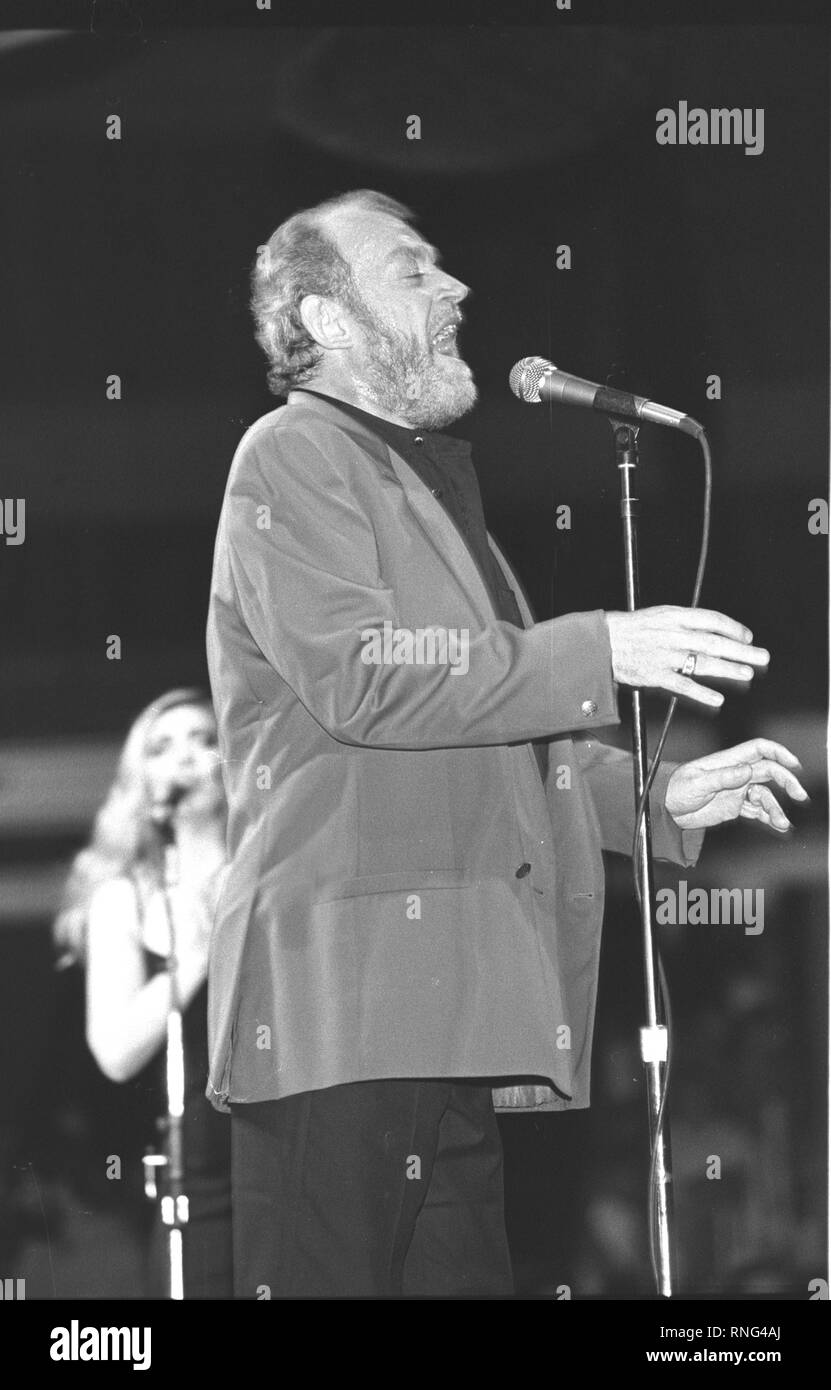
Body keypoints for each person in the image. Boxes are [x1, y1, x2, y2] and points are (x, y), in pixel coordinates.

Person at [206, 189, 807, 1297]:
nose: (458, 289)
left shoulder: (429, 495)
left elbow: (498, 731)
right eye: (415, 271)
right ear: (330, 324)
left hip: (451, 1010)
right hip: (343, 1004)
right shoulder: (290, 453)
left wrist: (658, 796)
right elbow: (368, 677)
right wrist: (600, 650)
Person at [55, 688, 233, 1298]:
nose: (187, 756)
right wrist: (203, 947)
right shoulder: (124, 898)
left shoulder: (272, 869)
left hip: (295, 1144)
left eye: (205, 739)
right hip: (201, 1163)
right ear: (141, 779)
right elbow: (115, 1051)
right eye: (163, 746)